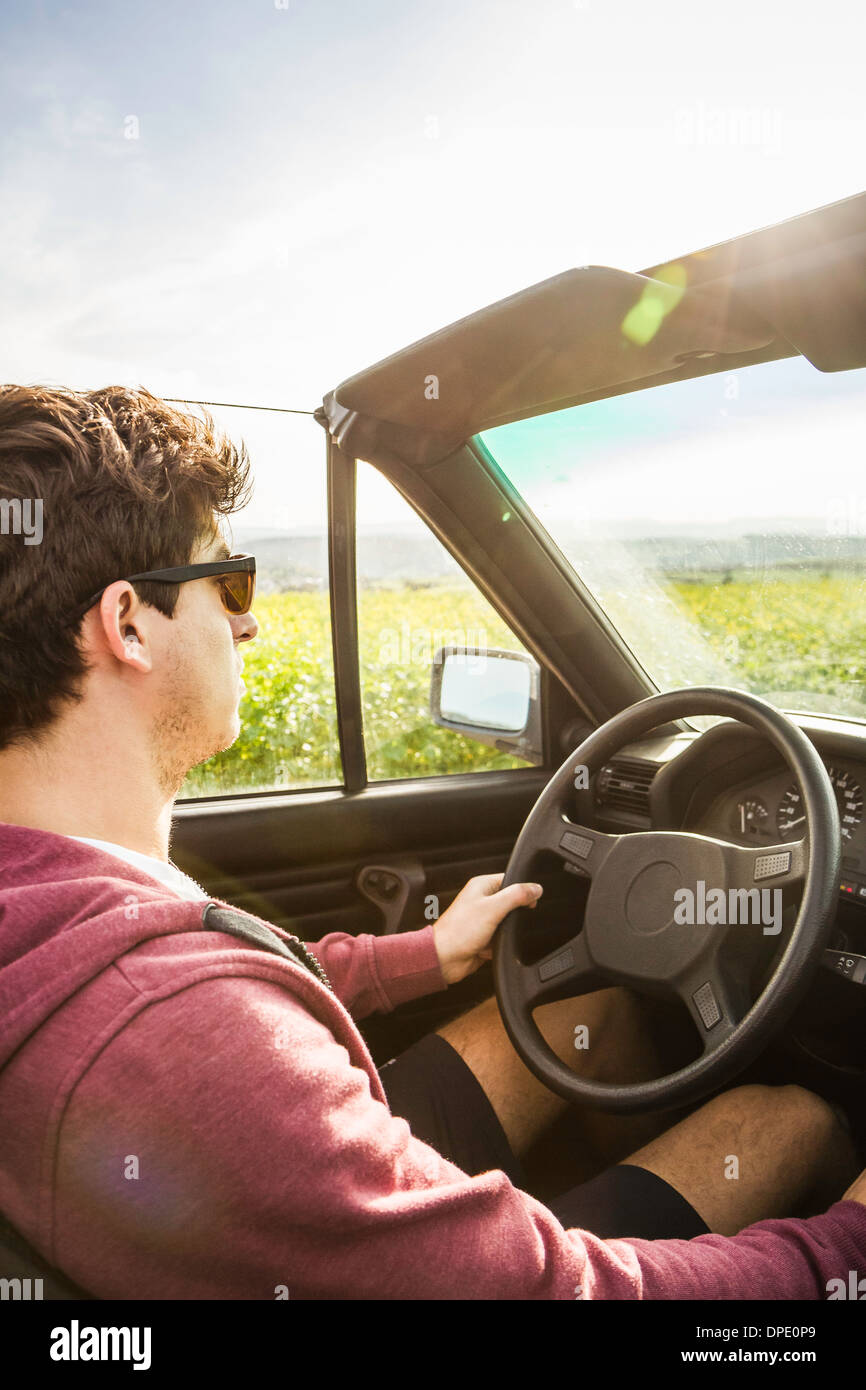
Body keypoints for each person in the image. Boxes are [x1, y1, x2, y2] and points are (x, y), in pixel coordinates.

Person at [0, 383, 863, 1300]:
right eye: (228, 580)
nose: (248, 620)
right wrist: (843, 1247)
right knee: (790, 1116)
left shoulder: (57, 895)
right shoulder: (184, 1045)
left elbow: (219, 984)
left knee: (597, 1020)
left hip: (255, 1205)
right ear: (129, 623)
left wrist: (415, 956)